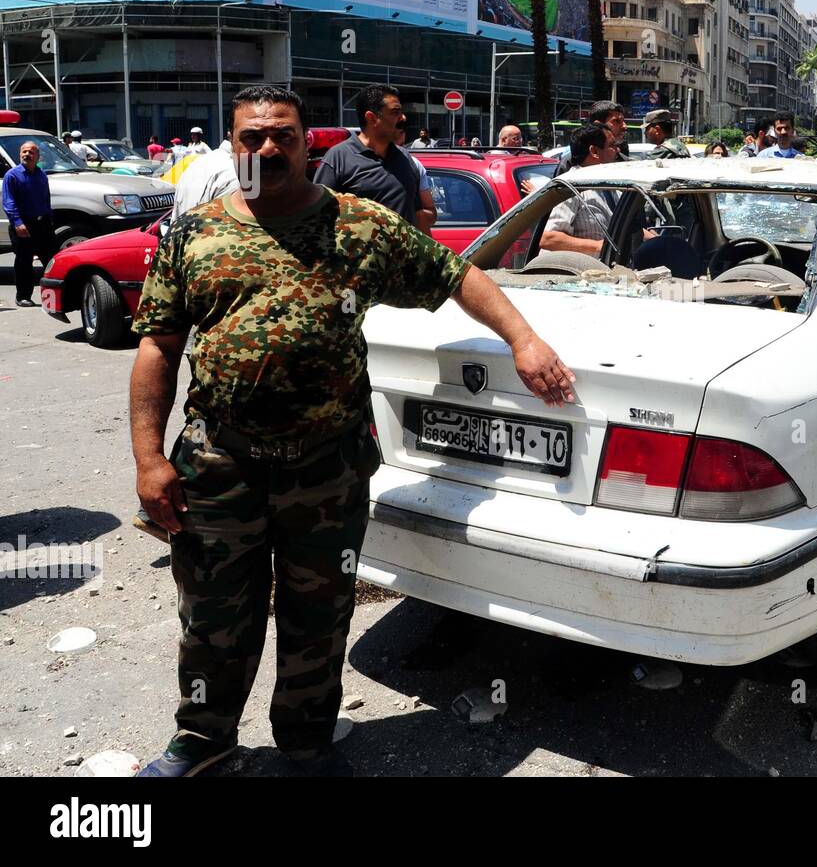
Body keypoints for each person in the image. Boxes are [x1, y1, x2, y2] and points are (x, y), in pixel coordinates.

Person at [130, 84, 575, 778]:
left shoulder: (358, 226)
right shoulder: (195, 233)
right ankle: (203, 738)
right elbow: (158, 349)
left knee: (320, 613)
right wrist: (149, 460)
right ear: (233, 146)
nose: (268, 148)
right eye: (252, 137)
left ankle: (306, 742)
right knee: (214, 619)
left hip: (325, 468)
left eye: (283, 134)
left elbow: (457, 275)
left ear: (309, 142)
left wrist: (524, 339)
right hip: (222, 465)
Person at [313, 84, 423, 224]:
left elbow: (418, 215)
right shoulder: (338, 159)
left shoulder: (405, 158)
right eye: (395, 112)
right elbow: (318, 218)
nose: (403, 118)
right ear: (371, 118)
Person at [539, 123, 621, 257]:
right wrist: (601, 247)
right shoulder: (571, 187)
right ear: (594, 151)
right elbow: (549, 239)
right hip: (581, 273)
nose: (617, 150)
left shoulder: (611, 186)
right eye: (612, 146)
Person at [2, 141, 55, 307]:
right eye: (24, 152)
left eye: (31, 152)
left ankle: (52, 298)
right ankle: (23, 296)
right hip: (23, 225)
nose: (27, 154)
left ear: (37, 156)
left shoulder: (41, 175)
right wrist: (17, 223)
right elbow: (9, 202)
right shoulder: (12, 175)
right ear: (19, 155)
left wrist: (49, 219)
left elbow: (46, 199)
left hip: (43, 224)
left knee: (52, 260)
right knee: (24, 262)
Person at [553, 101, 628, 177]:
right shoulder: (569, 164)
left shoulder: (625, 162)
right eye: (616, 121)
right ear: (598, 124)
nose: (625, 127)